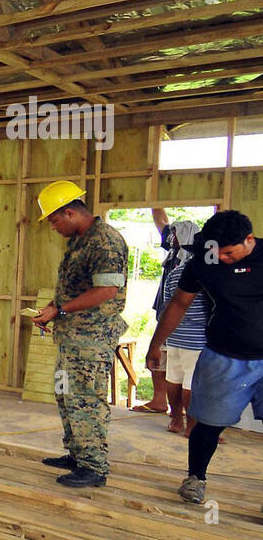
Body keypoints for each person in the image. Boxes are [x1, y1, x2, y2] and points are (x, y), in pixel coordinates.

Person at [145, 210, 263, 504]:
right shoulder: (204, 260)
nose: (221, 257)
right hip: (224, 356)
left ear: (249, 240)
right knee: (206, 423)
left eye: (228, 253)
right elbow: (178, 304)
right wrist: (156, 344)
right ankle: (195, 477)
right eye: (216, 251)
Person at [30, 181, 129, 489]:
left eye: (54, 220)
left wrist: (60, 310)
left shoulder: (105, 242)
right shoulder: (80, 240)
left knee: (86, 399)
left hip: (91, 339)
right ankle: (77, 453)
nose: (53, 227)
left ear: (70, 213)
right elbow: (73, 287)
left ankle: (93, 466)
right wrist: (53, 308)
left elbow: (106, 291)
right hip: (71, 337)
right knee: (66, 395)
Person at [147, 220, 208, 437]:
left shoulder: (175, 272)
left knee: (174, 378)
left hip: (174, 335)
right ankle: (191, 426)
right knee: (192, 382)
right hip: (197, 337)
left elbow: (167, 306)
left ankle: (175, 420)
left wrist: (160, 340)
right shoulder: (207, 274)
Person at [134, 208, 174, 414]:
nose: (172, 237)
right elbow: (162, 223)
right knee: (159, 357)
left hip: (186, 321)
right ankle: (159, 400)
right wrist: (155, 203)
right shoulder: (172, 248)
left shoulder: (197, 254)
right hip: (165, 314)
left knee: (182, 364)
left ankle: (180, 409)